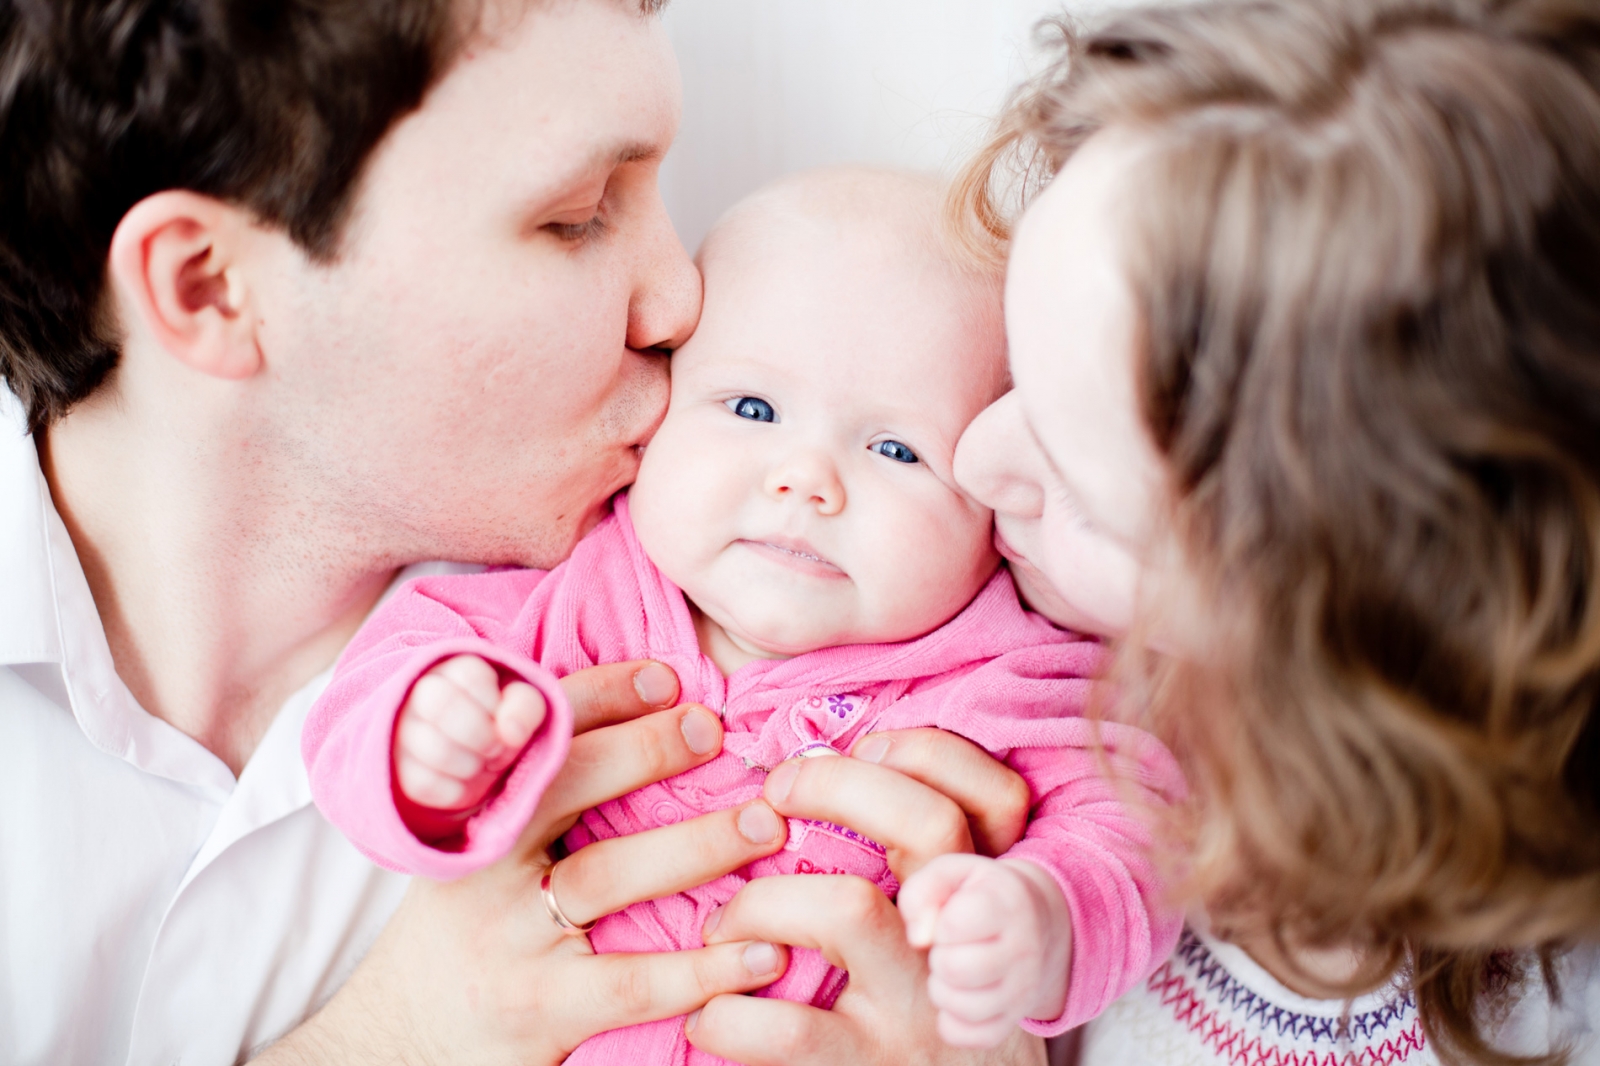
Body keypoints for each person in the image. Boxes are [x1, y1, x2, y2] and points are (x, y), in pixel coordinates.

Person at [0, 2, 1044, 1064]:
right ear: (211, 287)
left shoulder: (733, 597)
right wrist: (389, 1038)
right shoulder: (467, 701)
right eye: (577, 217)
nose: (681, 299)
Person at [300, 168, 1184, 1062]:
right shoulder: (579, 591)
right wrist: (425, 737)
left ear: (993, 504)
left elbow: (1130, 836)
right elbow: (390, 667)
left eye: (896, 449)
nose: (806, 479)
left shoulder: (1005, 676)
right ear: (659, 414)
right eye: (753, 408)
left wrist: (1042, 920)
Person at [950, 0, 1600, 1062]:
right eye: (1010, 371)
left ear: (1351, 611)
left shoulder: (1556, 997)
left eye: (1083, 496)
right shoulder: (1025, 673)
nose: (973, 460)